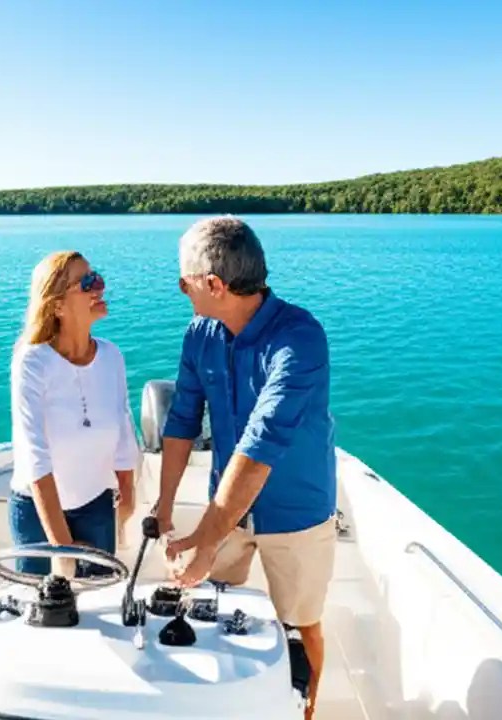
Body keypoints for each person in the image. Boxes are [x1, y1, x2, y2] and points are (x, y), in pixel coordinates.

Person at [157, 216, 338, 720]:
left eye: (184, 280)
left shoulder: (300, 339)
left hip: (297, 511)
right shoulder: (200, 334)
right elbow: (181, 421)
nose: (179, 289)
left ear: (214, 284)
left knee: (301, 626)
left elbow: (260, 446)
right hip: (225, 505)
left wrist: (206, 540)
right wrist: (165, 505)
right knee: (214, 611)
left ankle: (306, 711)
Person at [9, 250, 138, 579]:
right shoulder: (33, 363)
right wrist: (61, 547)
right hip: (37, 513)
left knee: (98, 609)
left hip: (96, 505)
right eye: (87, 282)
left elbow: (124, 429)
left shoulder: (112, 356)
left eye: (98, 278)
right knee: (42, 611)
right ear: (56, 305)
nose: (99, 287)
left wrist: (128, 497)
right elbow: (34, 456)